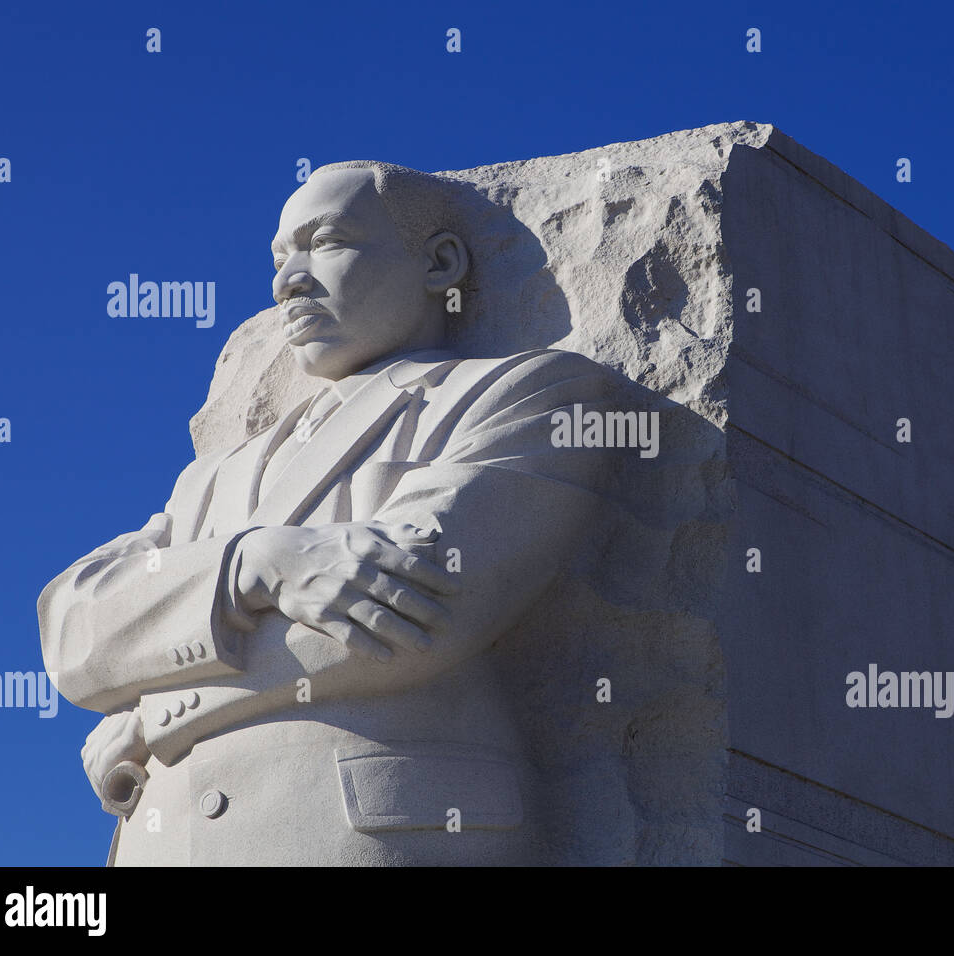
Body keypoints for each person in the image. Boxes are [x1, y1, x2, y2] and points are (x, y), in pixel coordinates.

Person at [39, 161, 630, 865]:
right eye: (281, 257)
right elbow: (74, 631)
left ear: (440, 263)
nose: (287, 281)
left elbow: (413, 608)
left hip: (374, 833)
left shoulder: (528, 395)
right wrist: (252, 564)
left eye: (327, 242)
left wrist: (150, 713)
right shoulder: (211, 478)